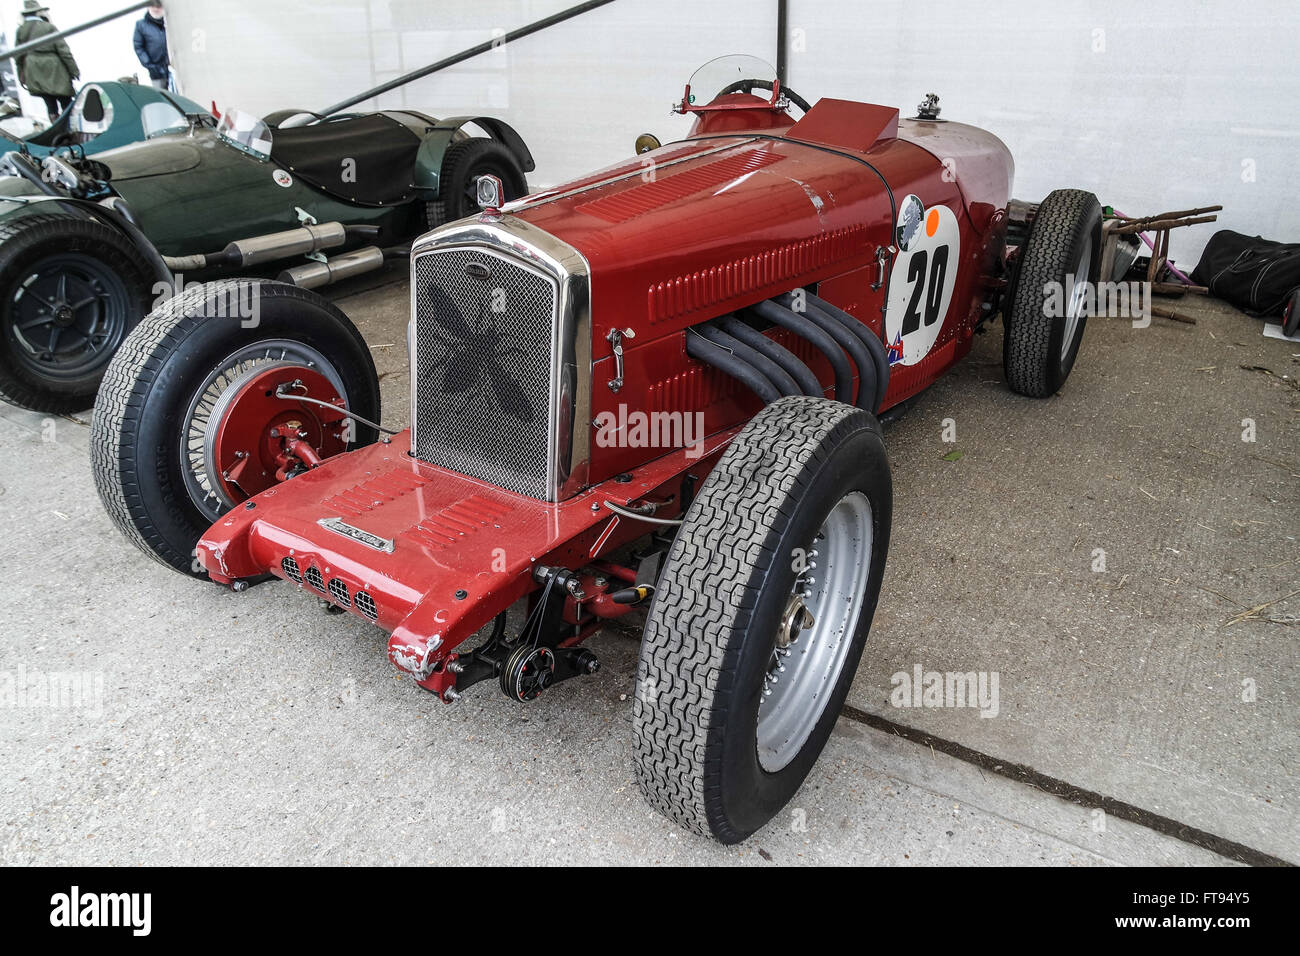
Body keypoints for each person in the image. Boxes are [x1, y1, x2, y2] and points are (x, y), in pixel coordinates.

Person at [14, 0, 79, 122]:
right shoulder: (49, 27)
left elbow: (18, 56)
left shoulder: (21, 30)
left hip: (33, 69)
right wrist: (74, 71)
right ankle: (69, 129)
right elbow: (64, 51)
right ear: (38, 12)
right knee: (66, 100)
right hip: (54, 68)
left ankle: (56, 130)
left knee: (50, 103)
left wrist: (21, 76)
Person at [133, 3, 168, 90]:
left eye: (159, 6)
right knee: (162, 96)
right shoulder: (141, 25)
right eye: (153, 6)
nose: (156, 9)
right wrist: (150, 65)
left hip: (172, 69)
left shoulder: (170, 22)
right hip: (155, 71)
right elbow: (138, 47)